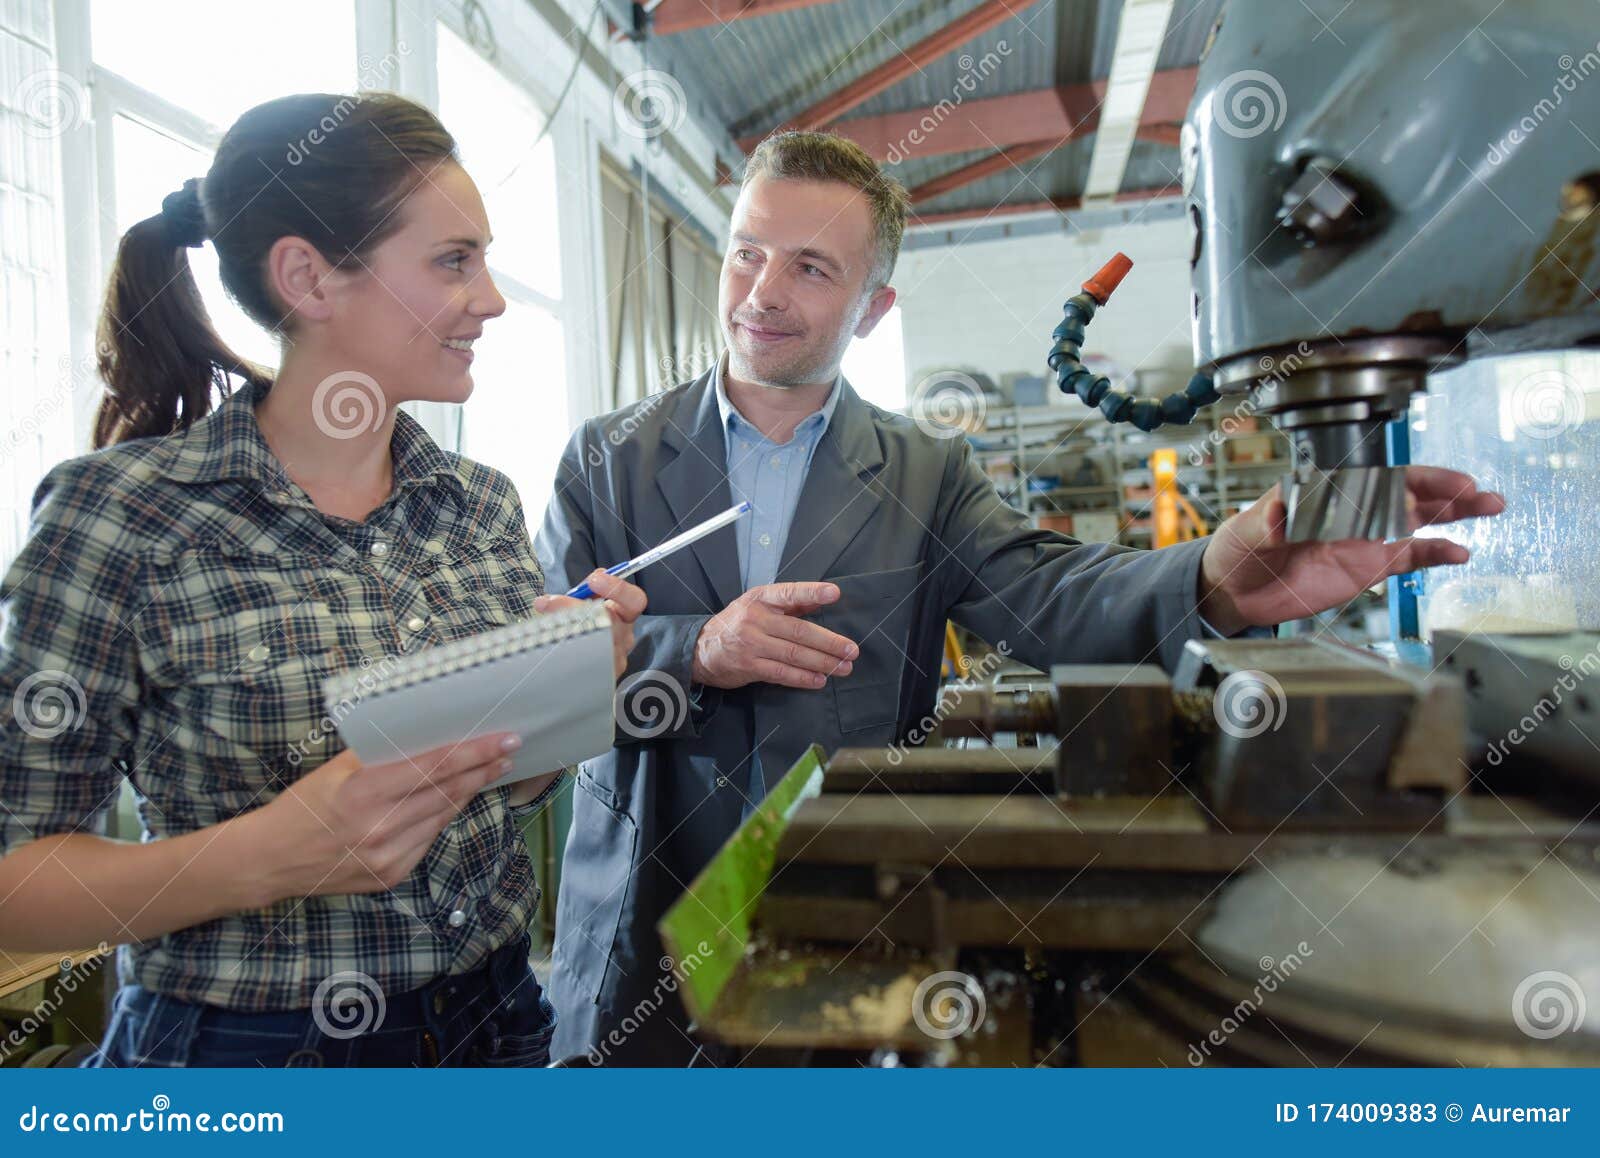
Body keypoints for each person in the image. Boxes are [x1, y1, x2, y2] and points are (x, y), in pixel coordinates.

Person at [534, 130, 1507, 1065]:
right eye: (746, 254)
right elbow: (535, 675)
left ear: (874, 306)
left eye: (810, 268)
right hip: (638, 939)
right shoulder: (605, 460)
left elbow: (1050, 597)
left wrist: (1216, 573)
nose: (762, 293)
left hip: (838, 925)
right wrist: (694, 648)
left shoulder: (923, 473)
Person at [0, 92, 645, 1067]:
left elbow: (501, 791)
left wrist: (559, 683)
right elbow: (18, 878)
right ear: (307, 276)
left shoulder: (475, 503)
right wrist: (262, 857)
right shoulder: (121, 518)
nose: (493, 298)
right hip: (250, 1055)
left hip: (498, 1025)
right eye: (452, 260)